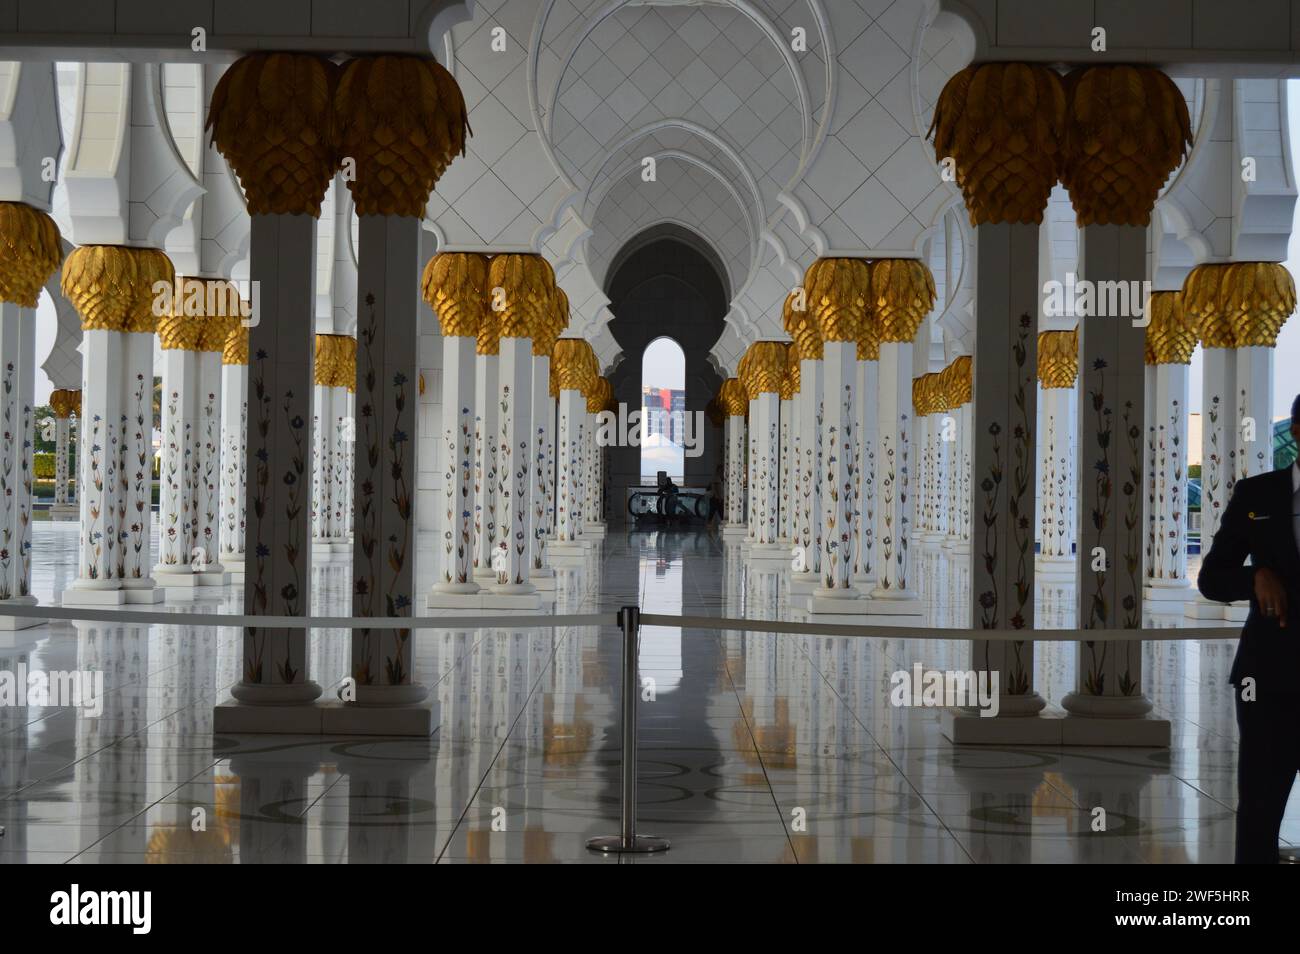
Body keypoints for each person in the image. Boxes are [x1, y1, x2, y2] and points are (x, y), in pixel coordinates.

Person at [1197, 393, 1300, 863]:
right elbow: (1212, 577)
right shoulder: (1259, 495)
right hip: (1270, 679)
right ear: (1297, 433)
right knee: (1260, 809)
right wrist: (1255, 576)